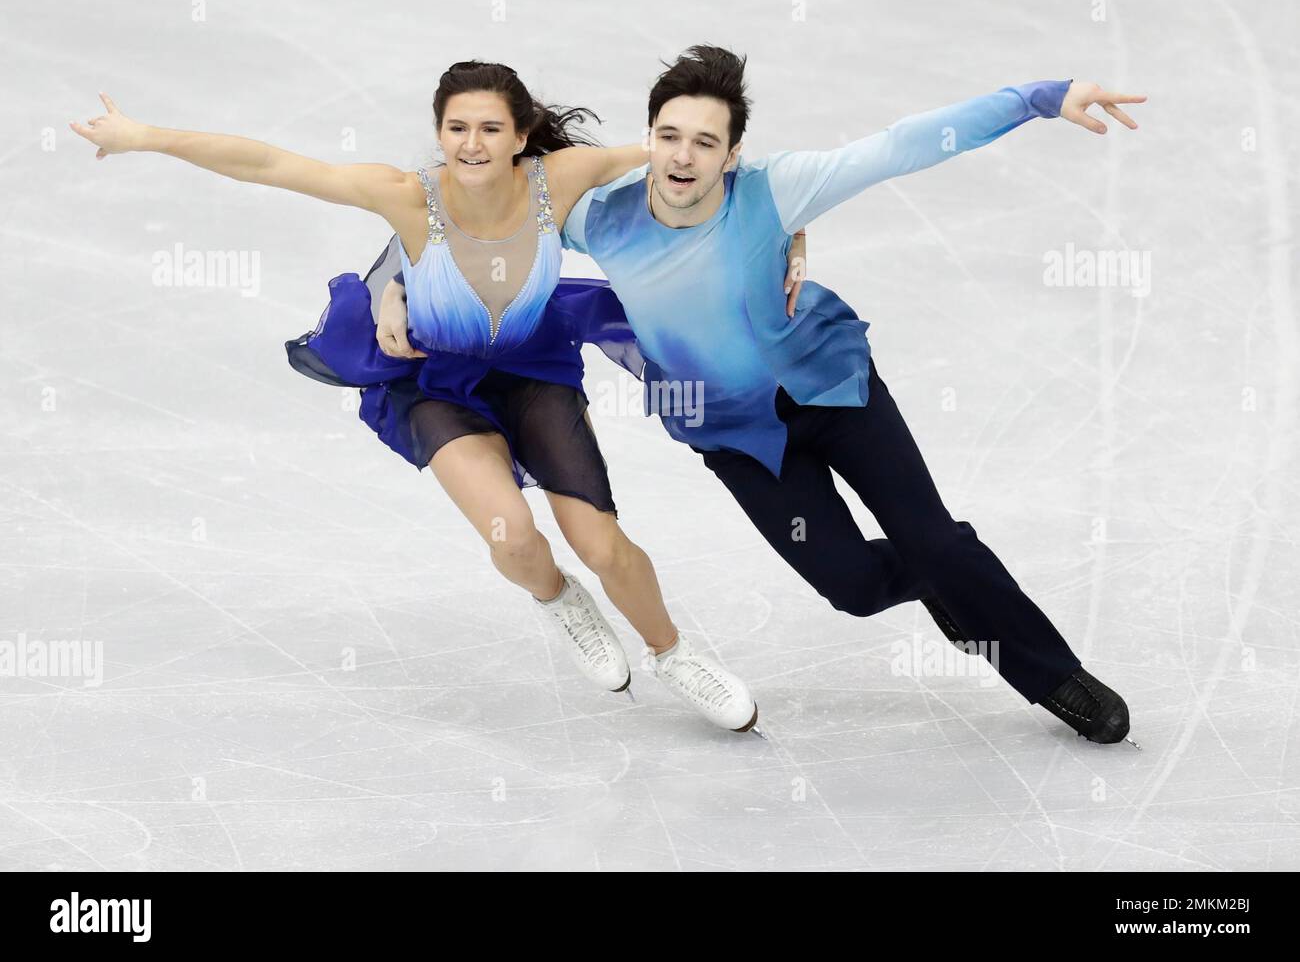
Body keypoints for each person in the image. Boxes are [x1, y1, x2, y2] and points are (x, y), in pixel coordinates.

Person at [379, 46, 1146, 746]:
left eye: (706, 142)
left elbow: (904, 145)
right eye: (670, 136)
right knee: (853, 587)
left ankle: (1052, 675)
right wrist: (390, 281)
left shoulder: (779, 190)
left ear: (733, 153)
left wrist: (1043, 97)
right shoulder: (597, 217)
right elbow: (473, 207)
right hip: (736, 437)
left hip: (833, 391)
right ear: (650, 137)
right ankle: (937, 574)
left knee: (935, 537)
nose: (684, 157)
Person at [69, 60, 804, 735]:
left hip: (536, 373)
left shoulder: (564, 176)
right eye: (457, 128)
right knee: (513, 538)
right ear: (439, 132)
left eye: (491, 128)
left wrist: (793, 232)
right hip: (435, 381)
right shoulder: (405, 196)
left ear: (521, 135)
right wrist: (147, 137)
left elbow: (701, 170)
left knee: (604, 545)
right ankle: (558, 600)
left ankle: (672, 653)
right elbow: (268, 163)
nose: (473, 144)